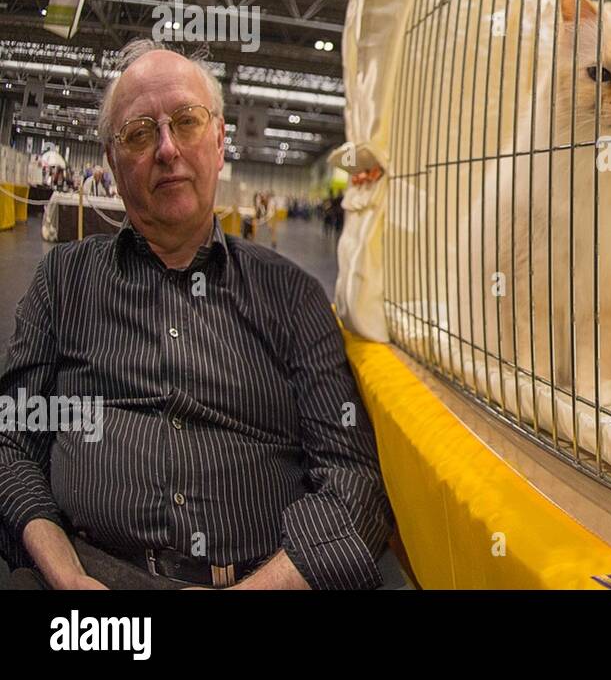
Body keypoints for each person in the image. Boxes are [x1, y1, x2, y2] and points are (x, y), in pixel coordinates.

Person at [0, 39, 393, 589]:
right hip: (90, 579)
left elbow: (351, 474)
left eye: (185, 121)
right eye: (139, 133)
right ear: (112, 161)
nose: (166, 149)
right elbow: (11, 439)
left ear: (219, 139)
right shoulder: (64, 281)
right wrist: (66, 574)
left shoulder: (292, 296)